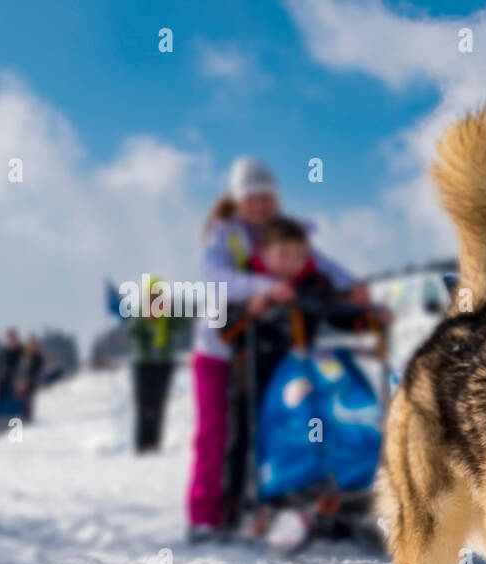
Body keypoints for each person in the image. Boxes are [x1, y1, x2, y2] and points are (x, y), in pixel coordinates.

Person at [187, 157, 366, 542]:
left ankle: (302, 503)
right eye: (252, 197)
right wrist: (263, 290)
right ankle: (208, 514)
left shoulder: (282, 234)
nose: (260, 205)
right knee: (216, 432)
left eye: (267, 197)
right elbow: (213, 277)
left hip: (268, 348)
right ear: (237, 200)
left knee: (287, 421)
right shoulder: (226, 235)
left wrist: (353, 288)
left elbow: (323, 265)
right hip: (220, 347)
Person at [127, 279, 190, 452]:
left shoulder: (168, 312)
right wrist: (145, 319)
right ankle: (141, 443)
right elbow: (132, 330)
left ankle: (154, 443)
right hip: (143, 363)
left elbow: (183, 325)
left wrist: (171, 311)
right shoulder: (140, 311)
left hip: (163, 363)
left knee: (158, 403)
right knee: (143, 403)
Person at [0, 329, 24, 435]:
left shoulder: (22, 353)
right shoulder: (2, 353)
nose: (11, 340)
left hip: (15, 387)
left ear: (16, 339)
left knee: (15, 413)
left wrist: (22, 382)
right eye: (9, 338)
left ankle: (15, 437)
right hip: (1, 386)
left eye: (12, 338)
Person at [18, 335, 45, 422]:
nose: (30, 347)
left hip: (31, 383)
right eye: (29, 345)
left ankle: (27, 419)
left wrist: (27, 381)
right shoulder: (22, 356)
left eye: (32, 345)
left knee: (27, 401)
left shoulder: (38, 358)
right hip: (19, 382)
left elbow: (36, 372)